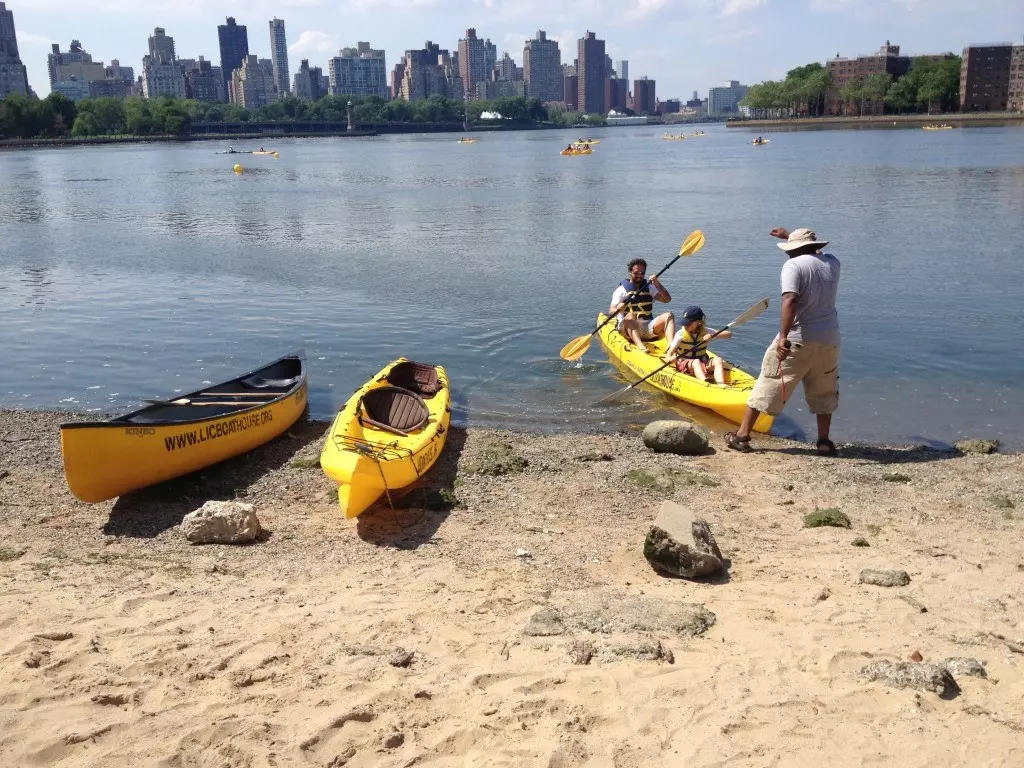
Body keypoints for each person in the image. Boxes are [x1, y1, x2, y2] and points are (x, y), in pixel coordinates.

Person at [725, 227, 841, 455]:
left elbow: (790, 298)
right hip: (829, 339)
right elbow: (815, 252)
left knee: (769, 383)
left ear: (794, 250)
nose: (786, 253)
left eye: (789, 249)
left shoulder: (793, 266)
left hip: (797, 338)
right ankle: (824, 442)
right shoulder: (833, 263)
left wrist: (783, 337)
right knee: (824, 390)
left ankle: (742, 436)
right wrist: (791, 236)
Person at [609, 258, 675, 348]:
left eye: (642, 273)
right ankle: (640, 346)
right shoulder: (621, 290)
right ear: (630, 272)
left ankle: (672, 346)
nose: (639, 275)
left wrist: (657, 283)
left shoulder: (650, 288)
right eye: (636, 273)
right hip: (628, 330)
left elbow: (667, 299)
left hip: (647, 327)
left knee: (669, 315)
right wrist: (618, 308)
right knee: (630, 315)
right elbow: (611, 311)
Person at [664, 306, 733, 385]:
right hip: (686, 364)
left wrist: (712, 335)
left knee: (718, 359)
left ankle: (721, 384)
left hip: (703, 362)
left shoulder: (706, 331)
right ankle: (705, 383)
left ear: (698, 323)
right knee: (696, 362)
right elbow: (669, 353)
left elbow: (729, 334)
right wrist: (670, 359)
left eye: (688, 323)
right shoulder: (680, 334)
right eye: (684, 323)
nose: (685, 325)